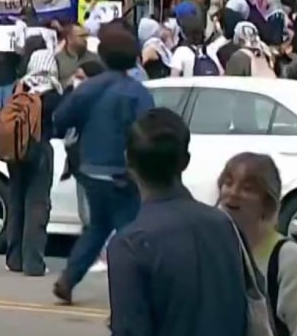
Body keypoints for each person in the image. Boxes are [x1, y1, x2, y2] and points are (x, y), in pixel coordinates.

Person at [107, 108, 249, 335]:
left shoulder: (130, 244)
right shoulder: (224, 225)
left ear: (128, 161)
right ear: (185, 161)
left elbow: (130, 329)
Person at [52, 25, 153, 304]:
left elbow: (61, 118)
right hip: (122, 170)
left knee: (98, 227)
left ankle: (68, 278)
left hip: (90, 167)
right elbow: (149, 128)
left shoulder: (89, 88)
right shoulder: (137, 93)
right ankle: (133, 290)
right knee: (129, 232)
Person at [219, 152, 297, 336]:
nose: (233, 193)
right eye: (228, 183)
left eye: (247, 188)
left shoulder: (288, 259)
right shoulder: (213, 247)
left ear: (267, 202)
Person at [5, 49, 63, 277]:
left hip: (14, 150)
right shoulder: (53, 94)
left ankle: (14, 259)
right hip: (40, 150)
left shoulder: (19, 87)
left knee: (16, 202)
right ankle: (33, 262)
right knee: (37, 205)